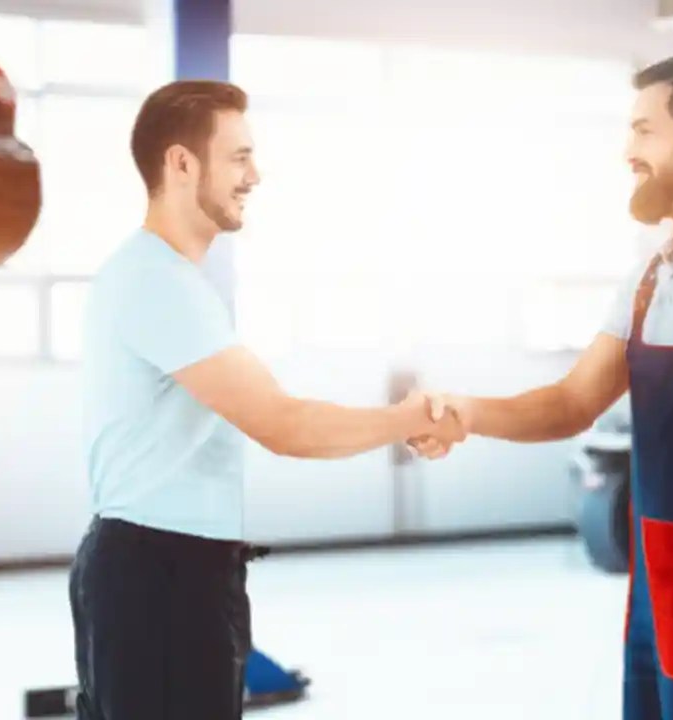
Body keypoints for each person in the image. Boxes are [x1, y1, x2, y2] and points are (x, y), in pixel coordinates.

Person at [68, 79, 465, 720]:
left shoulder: (165, 279)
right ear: (181, 163)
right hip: (161, 579)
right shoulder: (156, 281)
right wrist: (412, 418)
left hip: (166, 570)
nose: (255, 174)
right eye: (239, 156)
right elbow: (285, 424)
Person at [412, 52, 673, 719]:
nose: (627, 151)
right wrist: (464, 412)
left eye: (643, 131)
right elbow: (573, 401)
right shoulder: (652, 277)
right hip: (658, 596)